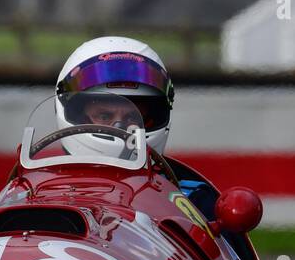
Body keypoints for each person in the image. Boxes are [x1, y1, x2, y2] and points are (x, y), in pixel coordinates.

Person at [54, 36, 219, 221]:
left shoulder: (195, 201)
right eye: (105, 116)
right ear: (76, 113)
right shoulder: (38, 193)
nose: (120, 128)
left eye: (134, 116)